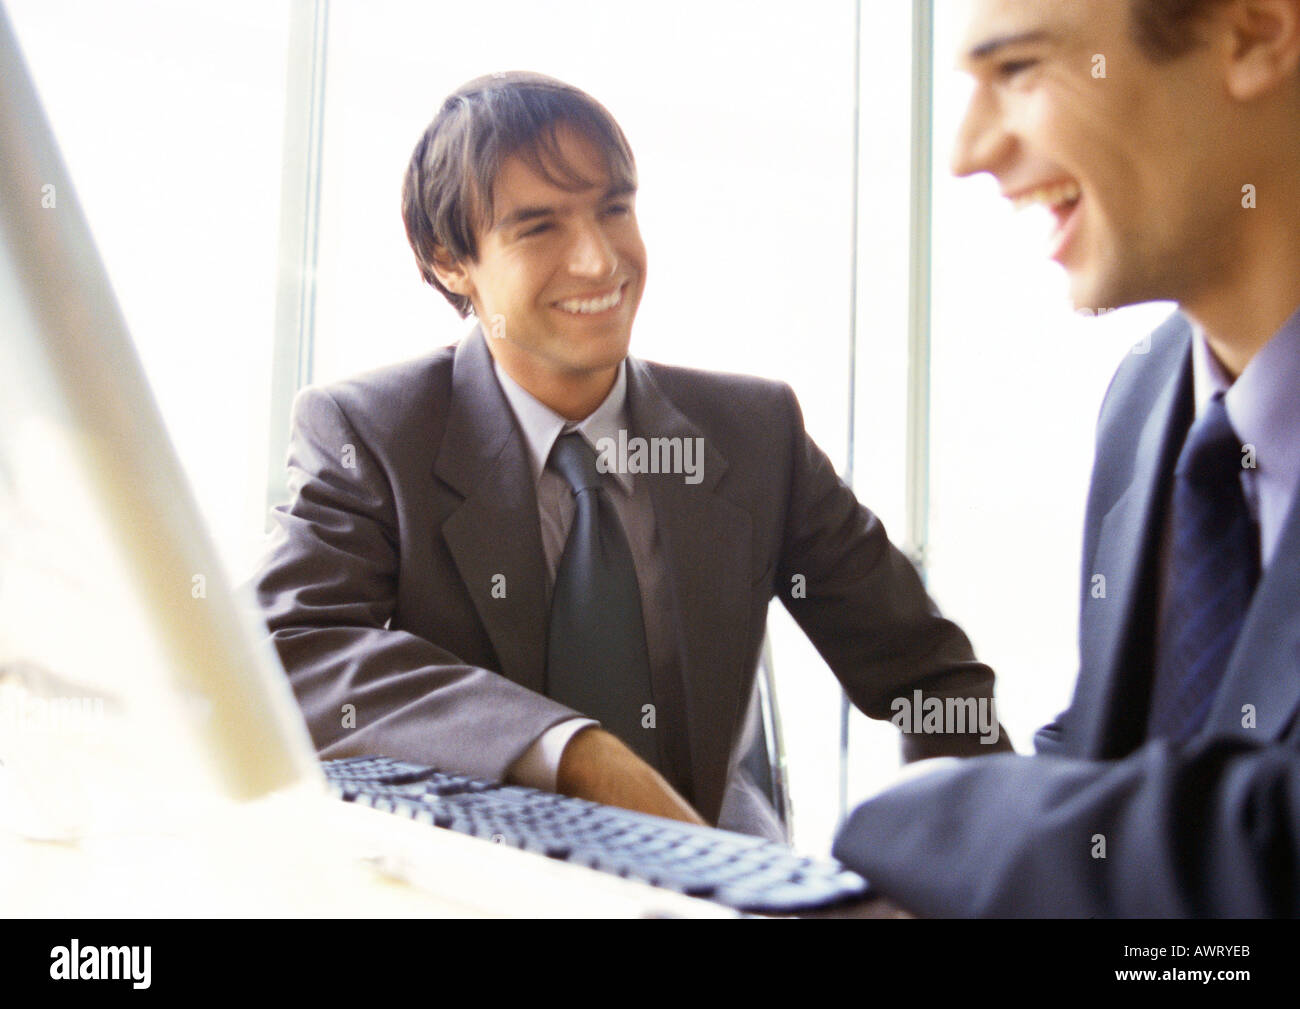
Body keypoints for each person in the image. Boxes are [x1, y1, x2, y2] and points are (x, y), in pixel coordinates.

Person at [253, 71, 1009, 840]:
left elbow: (929, 678)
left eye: (614, 209)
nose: (598, 260)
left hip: (711, 869)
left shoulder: (754, 433)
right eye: (539, 227)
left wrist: (975, 862)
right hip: (478, 877)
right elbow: (285, 654)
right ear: (450, 260)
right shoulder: (371, 433)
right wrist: (569, 751)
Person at [833, 0, 1300, 915]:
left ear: (1252, 34)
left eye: (1018, 70)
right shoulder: (1150, 397)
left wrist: (924, 823)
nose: (967, 151)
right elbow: (1107, 759)